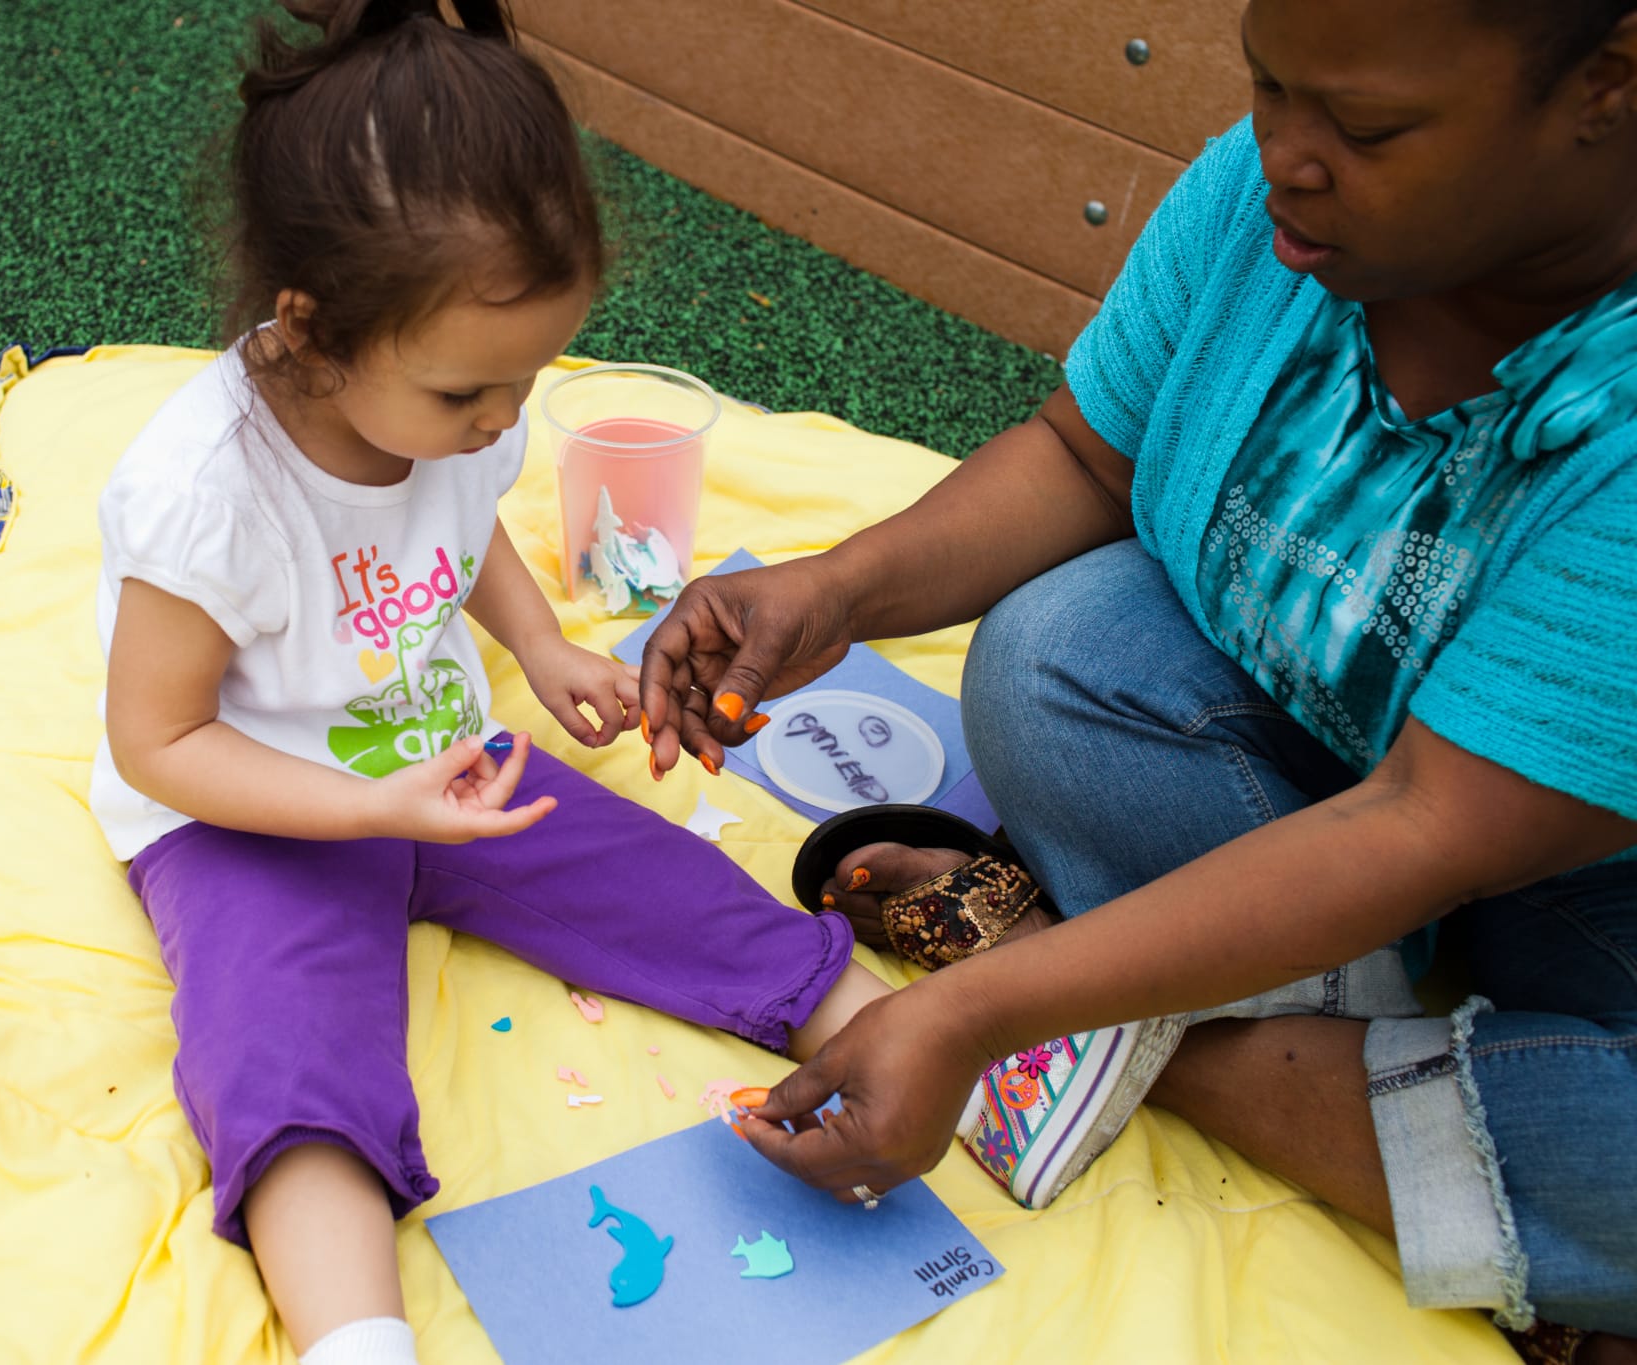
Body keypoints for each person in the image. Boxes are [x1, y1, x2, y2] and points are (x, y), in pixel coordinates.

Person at [639, 0, 1637, 1355]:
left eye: (1364, 125)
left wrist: (980, 1009)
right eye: (1268, 85)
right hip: (1367, 829)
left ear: (1610, 80)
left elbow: (1427, 826)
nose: (1284, 150)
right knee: (1060, 653)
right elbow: (1084, 456)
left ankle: (1150, 1029)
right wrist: (837, 587)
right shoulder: (1268, 204)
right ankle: (1428, 1141)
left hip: (1567, 908)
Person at [86, 5, 889, 1363]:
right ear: (313, 328)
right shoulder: (202, 493)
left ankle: (895, 1033)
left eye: (525, 376)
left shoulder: (451, 397)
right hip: (246, 817)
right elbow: (156, 738)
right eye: (474, 391)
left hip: (441, 773)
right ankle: (356, 1336)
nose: (505, 419)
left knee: (652, 880)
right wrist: (361, 812)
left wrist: (542, 645)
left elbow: (459, 529)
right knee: (282, 1056)